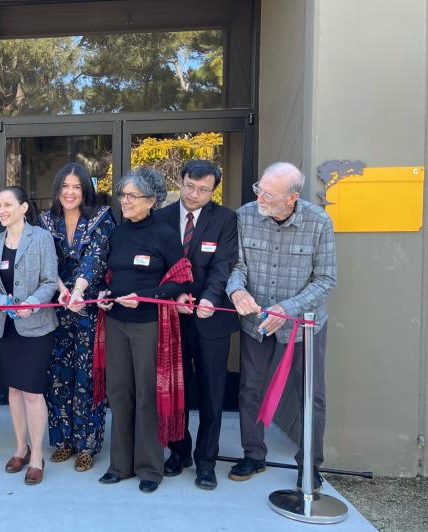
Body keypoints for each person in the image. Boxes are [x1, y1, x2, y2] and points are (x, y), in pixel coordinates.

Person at [226, 162, 337, 492]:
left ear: (292, 198)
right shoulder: (245, 215)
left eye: (269, 195)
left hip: (304, 325)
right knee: (250, 389)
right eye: (259, 189)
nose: (260, 198)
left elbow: (326, 280)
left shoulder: (319, 222)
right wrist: (237, 289)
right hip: (256, 322)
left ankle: (310, 465)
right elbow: (236, 265)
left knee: (311, 396)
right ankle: (253, 455)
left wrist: (287, 309)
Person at [97, 167, 190, 494]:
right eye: (122, 195)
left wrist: (148, 298)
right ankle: (119, 465)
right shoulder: (118, 233)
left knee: (147, 396)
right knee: (119, 394)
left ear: (152, 200)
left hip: (149, 325)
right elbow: (111, 276)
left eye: (132, 196)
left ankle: (150, 468)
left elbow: (181, 277)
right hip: (116, 324)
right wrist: (105, 297)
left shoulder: (164, 233)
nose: (124, 201)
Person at [153, 160, 239, 490]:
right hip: (172, 318)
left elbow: (223, 265)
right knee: (175, 390)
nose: (194, 194)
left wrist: (209, 299)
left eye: (203, 189)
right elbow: (160, 264)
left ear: (213, 190)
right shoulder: (160, 217)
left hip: (210, 318)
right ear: (180, 180)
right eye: (190, 186)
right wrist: (174, 295)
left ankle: (206, 461)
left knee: (212, 392)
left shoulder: (225, 219)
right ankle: (179, 451)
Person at [38, 163, 114, 472]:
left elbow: (96, 258)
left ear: (86, 191)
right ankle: (65, 441)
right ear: (57, 189)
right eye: (65, 187)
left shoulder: (101, 219)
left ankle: (86, 444)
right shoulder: (45, 221)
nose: (70, 193)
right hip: (57, 308)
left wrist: (79, 290)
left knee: (87, 378)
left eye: (77, 187)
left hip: (88, 309)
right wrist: (61, 290)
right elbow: (43, 260)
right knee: (58, 377)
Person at [0, 186, 58, 485]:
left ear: (24, 207)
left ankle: (37, 456)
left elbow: (50, 280)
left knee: (32, 391)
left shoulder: (41, 238)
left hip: (37, 326)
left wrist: (32, 303)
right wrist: (0, 301)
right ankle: (20, 448)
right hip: (7, 327)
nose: (2, 210)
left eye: (8, 205)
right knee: (14, 390)